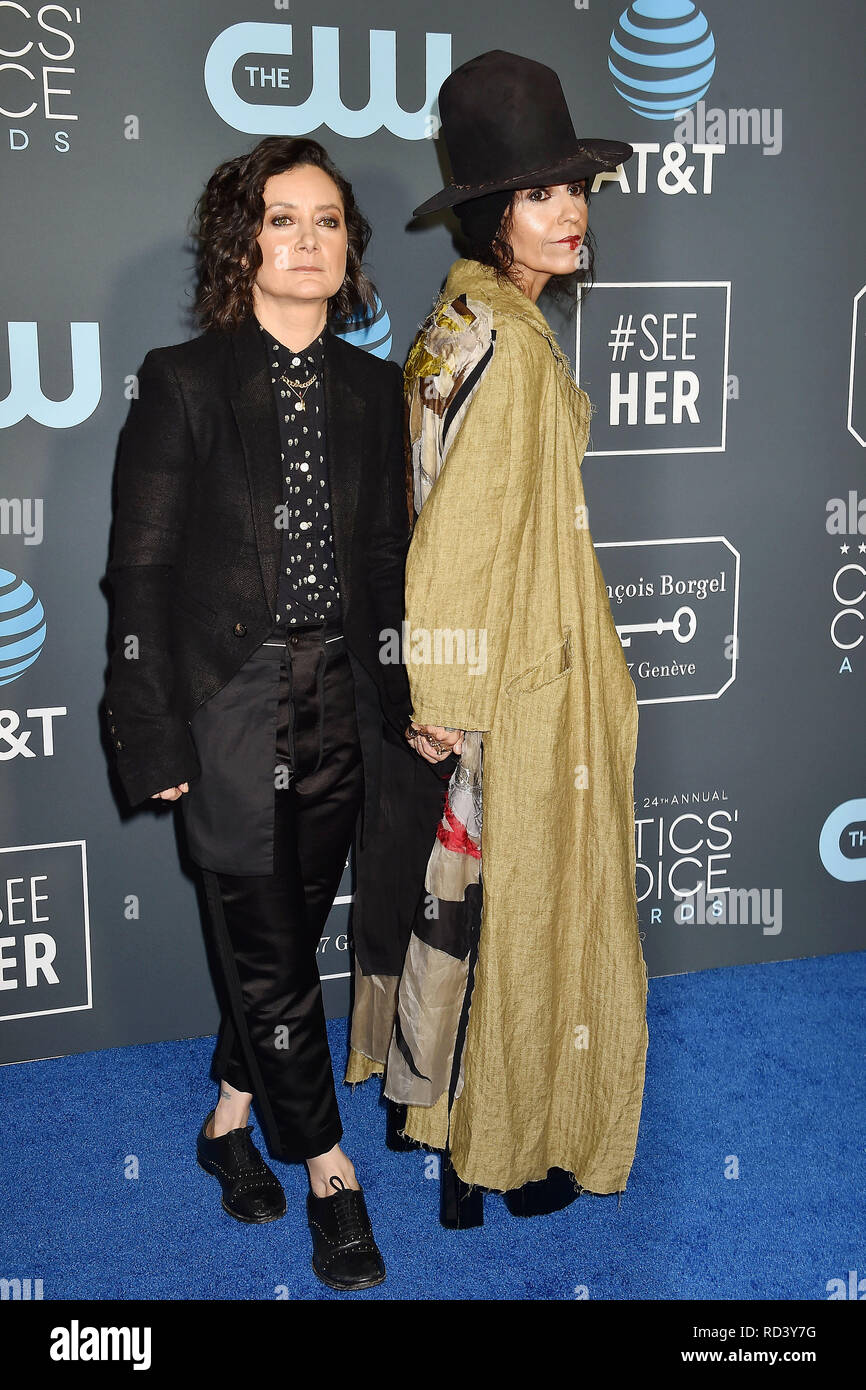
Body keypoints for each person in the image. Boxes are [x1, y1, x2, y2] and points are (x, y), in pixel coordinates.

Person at [104, 135, 441, 1289]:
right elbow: (139, 576)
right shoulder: (183, 380)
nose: (308, 241)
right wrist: (149, 728)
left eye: (329, 222)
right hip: (231, 707)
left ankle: (224, 1121)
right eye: (283, 219)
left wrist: (410, 695)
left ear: (351, 250)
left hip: (343, 700)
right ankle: (328, 1170)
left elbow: (392, 567)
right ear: (241, 240)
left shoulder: (372, 389)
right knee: (268, 945)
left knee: (285, 939)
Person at [346, 50, 650, 1227]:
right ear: (487, 212)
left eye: (573, 188)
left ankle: (467, 1143)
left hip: (500, 667)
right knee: (532, 915)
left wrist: (447, 686)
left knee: (475, 907)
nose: (567, 211)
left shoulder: (457, 322)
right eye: (537, 193)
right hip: (527, 677)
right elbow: (458, 537)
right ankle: (509, 1145)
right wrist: (456, 690)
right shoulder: (512, 348)